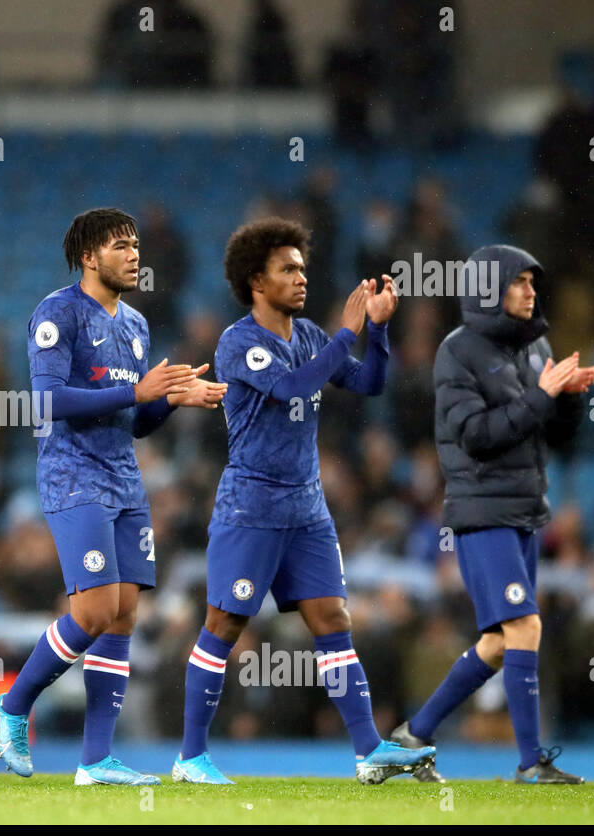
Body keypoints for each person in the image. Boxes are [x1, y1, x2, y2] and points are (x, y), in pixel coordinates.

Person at [176, 216, 434, 785]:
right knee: (224, 623)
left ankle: (369, 751)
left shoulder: (312, 337)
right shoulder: (238, 341)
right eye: (287, 269)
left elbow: (367, 384)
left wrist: (379, 331)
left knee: (332, 619)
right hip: (252, 507)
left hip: (307, 508)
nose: (300, 278)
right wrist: (347, 331)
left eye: (302, 268)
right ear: (256, 282)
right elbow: (294, 387)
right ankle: (191, 757)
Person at [0, 207, 226, 785]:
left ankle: (95, 760)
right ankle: (13, 706)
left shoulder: (137, 326)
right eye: (121, 245)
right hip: (74, 476)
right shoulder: (57, 312)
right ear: (90, 256)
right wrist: (134, 389)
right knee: (91, 611)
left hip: (124, 477)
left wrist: (169, 400)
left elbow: (136, 420)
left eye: (137, 245)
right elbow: (46, 400)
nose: (134, 254)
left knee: (120, 617)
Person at [390, 245, 594, 784]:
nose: (532, 291)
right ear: (489, 288)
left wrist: (567, 398)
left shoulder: (536, 348)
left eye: (533, 282)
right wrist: (542, 395)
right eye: (520, 282)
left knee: (500, 641)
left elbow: (556, 436)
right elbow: (477, 437)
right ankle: (531, 764)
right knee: (525, 624)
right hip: (482, 511)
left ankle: (414, 736)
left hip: (527, 510)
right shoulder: (456, 352)